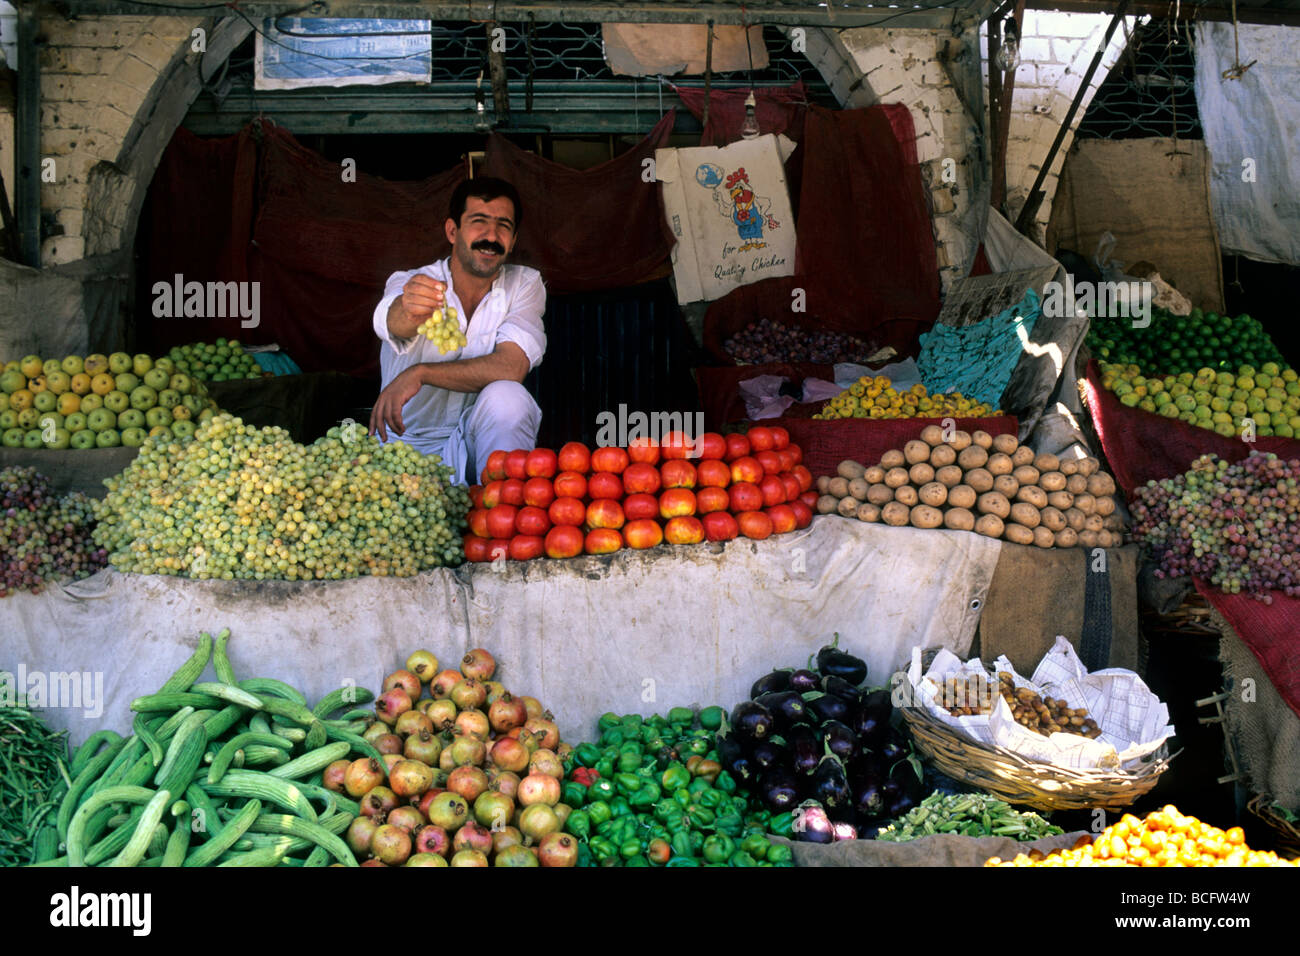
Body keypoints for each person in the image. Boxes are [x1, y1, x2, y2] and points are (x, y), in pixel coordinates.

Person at [369, 177, 546, 484]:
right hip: (406, 450)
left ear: (514, 239)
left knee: (509, 396)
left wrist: (421, 372)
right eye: (479, 222)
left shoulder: (524, 284)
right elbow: (391, 318)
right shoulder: (414, 282)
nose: (491, 236)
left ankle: (501, 513)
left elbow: (511, 366)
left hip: (473, 443)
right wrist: (409, 307)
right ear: (453, 231)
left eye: (503, 226)